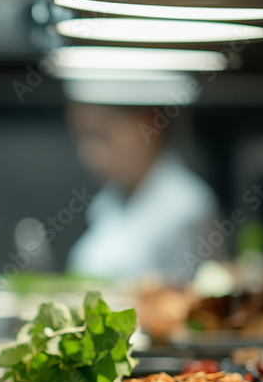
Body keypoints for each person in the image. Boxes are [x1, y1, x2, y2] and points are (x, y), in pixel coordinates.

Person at [65, 102, 222, 283]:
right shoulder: (107, 201)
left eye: (102, 135)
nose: (88, 155)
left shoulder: (189, 206)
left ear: (149, 126)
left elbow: (196, 297)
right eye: (81, 137)